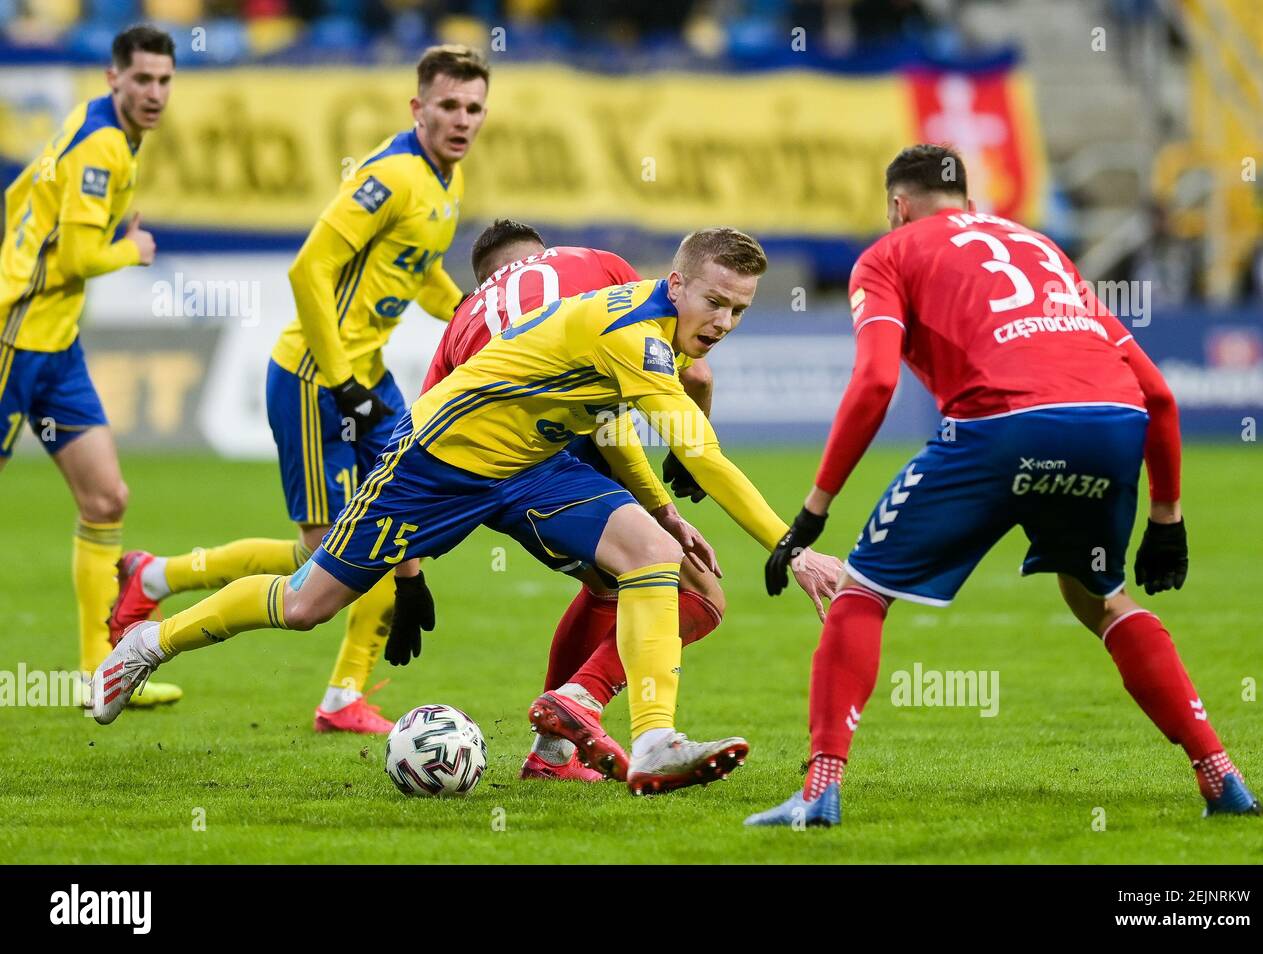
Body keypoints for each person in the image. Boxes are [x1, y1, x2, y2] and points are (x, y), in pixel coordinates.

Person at [93, 227, 843, 797]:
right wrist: (792, 548)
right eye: (715, 301)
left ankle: (651, 741)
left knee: (651, 554)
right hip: (432, 465)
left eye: (740, 310)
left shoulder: (650, 327)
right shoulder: (630, 329)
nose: (724, 321)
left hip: (532, 468)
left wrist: (662, 509)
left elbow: (614, 425)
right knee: (305, 603)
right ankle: (150, 644)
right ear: (675, 284)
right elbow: (703, 455)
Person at [751, 144, 1262, 826]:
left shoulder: (888, 255)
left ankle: (819, 791)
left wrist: (815, 510)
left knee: (862, 591)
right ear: (966, 197)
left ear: (898, 206)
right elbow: (1160, 393)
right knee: (1101, 598)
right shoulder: (1040, 248)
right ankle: (1220, 775)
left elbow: (875, 382)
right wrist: (1167, 518)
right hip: (1112, 423)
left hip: (1003, 425)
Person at [106, 44, 488, 733]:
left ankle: (343, 698)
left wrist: (471, 315)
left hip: (369, 379)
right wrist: (340, 379)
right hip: (317, 380)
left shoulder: (447, 182)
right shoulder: (391, 176)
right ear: (418, 108)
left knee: (401, 529)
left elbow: (422, 270)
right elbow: (308, 271)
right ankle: (156, 577)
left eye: (473, 108)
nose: (462, 119)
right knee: (327, 557)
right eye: (449, 106)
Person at [401, 218, 726, 783]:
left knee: (607, 584)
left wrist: (409, 576)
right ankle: (578, 706)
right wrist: (689, 445)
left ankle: (553, 752)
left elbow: (418, 452)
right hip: (562, 458)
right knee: (698, 591)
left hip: (501, 472)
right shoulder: (591, 269)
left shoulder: (465, 322)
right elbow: (695, 376)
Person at [0, 24, 181, 708]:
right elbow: (78, 260)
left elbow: (22, 195)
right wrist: (130, 249)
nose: (155, 93)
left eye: (165, 80)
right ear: (115, 78)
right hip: (14, 337)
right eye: (142, 80)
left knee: (106, 500)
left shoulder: (97, 124)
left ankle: (97, 673)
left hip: (55, 345)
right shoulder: (103, 143)